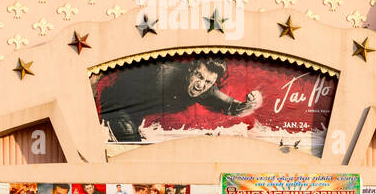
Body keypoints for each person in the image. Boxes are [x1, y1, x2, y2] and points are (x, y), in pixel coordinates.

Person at [98, 57, 264, 142]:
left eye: (208, 82)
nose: (201, 85)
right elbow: (118, 92)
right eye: (199, 76)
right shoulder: (161, 75)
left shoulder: (205, 90)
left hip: (133, 111)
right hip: (114, 102)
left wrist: (252, 103)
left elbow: (232, 107)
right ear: (190, 70)